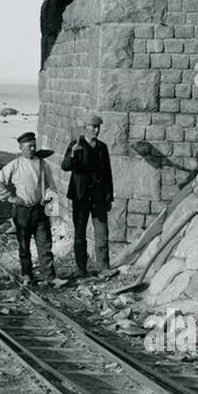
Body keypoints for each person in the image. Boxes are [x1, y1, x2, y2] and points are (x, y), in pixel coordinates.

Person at [0, 131, 58, 285]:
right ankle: (27, 275)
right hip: (22, 212)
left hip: (40, 210)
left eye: (34, 146)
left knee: (45, 245)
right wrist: (11, 197)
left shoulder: (42, 164)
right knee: (24, 246)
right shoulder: (15, 165)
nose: (32, 149)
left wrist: (50, 206)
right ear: (21, 148)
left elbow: (52, 186)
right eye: (29, 147)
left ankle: (51, 277)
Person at [61, 113, 113, 278]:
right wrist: (72, 154)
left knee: (102, 233)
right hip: (80, 196)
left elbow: (108, 173)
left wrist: (109, 196)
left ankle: (103, 266)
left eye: (98, 127)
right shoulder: (76, 144)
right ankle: (81, 268)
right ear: (85, 128)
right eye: (93, 127)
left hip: (98, 196)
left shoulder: (102, 147)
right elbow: (65, 166)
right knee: (80, 233)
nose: (96, 130)